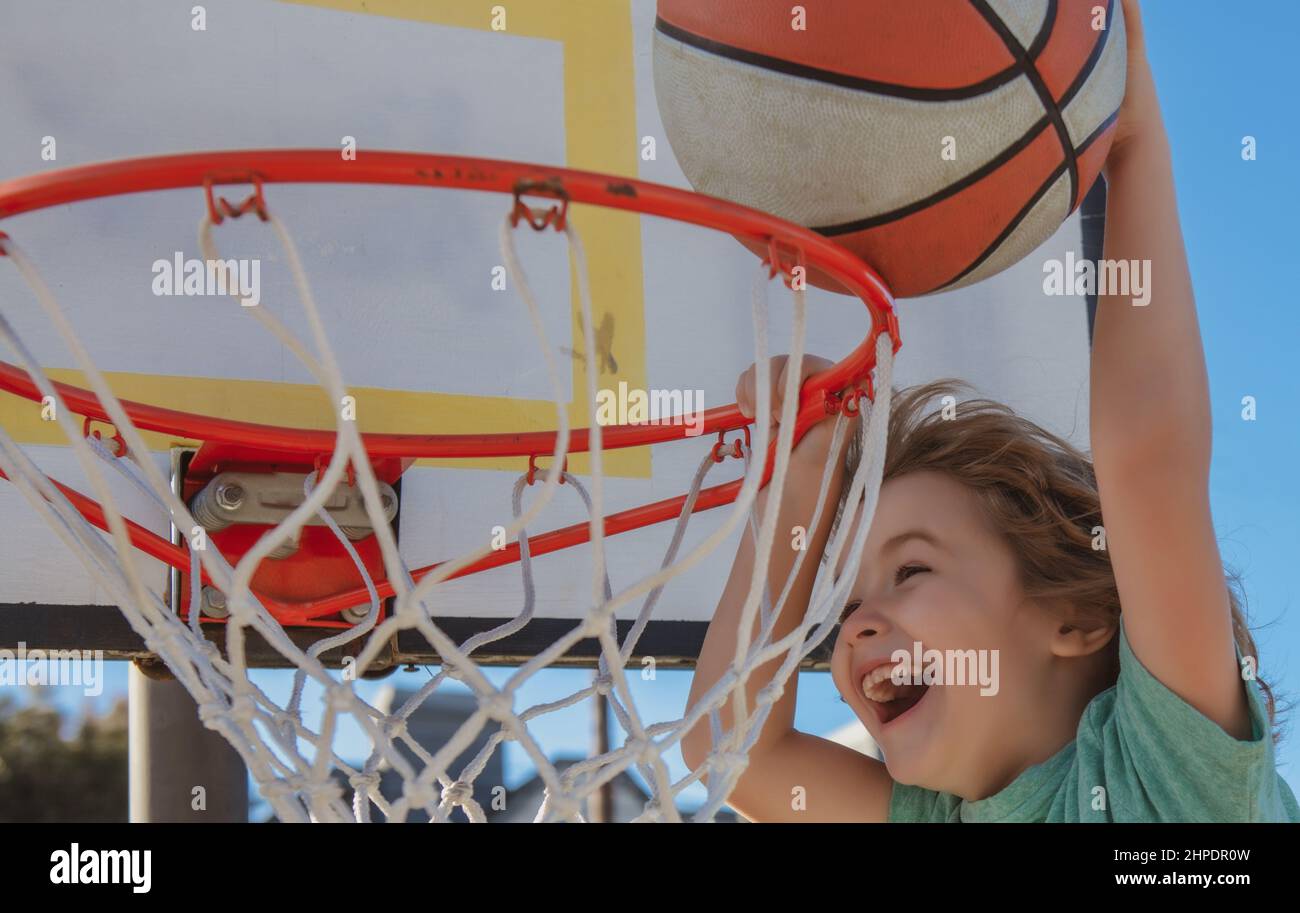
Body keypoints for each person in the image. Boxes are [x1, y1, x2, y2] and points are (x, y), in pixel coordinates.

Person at [682, 0, 1298, 823]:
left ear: (1076, 616)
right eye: (855, 597)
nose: (855, 624)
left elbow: (1149, 465)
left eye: (910, 571)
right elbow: (735, 748)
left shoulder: (1164, 779)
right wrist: (805, 484)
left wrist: (1137, 150)